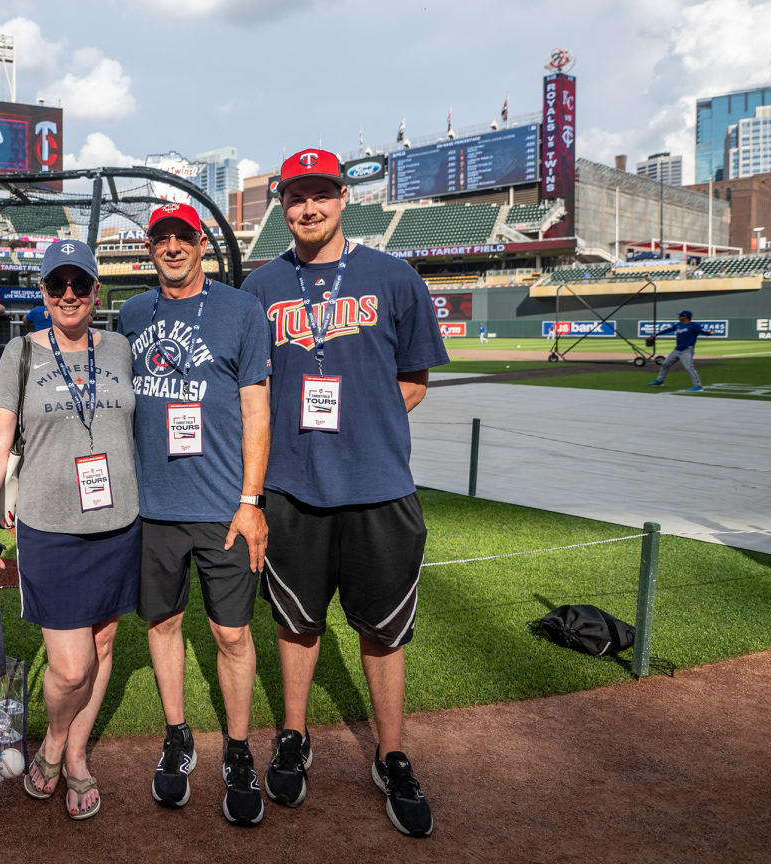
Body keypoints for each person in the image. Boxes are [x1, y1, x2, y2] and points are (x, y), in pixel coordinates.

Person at [240, 148, 449, 838]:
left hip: (377, 486)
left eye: (321, 194)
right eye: (296, 197)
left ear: (343, 197)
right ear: (282, 203)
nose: (308, 208)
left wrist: (362, 430)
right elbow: (253, 390)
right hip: (294, 487)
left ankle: (391, 753)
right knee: (297, 623)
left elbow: (413, 381)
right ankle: (294, 737)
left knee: (383, 633)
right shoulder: (262, 285)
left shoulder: (393, 276)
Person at [0, 239, 138, 821]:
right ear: (43, 293)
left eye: (81, 285)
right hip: (50, 525)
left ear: (96, 292)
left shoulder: (118, 347)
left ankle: (78, 756)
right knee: (69, 666)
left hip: (117, 522)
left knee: (104, 645)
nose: (70, 295)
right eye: (58, 285)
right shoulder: (17, 353)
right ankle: (54, 742)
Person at [116, 202, 271, 826]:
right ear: (150, 248)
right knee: (163, 624)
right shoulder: (131, 314)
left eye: (184, 236)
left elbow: (257, 411)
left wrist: (251, 500)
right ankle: (177, 735)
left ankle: (237, 748)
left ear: (201, 243)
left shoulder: (240, 310)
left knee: (231, 633)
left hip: (222, 507)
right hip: (152, 508)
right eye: (162, 238)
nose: (173, 246)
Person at [648, 310, 706, 392]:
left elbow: (703, 332)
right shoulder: (679, 325)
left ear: (685, 317)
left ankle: (698, 386)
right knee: (665, 364)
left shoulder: (694, 326)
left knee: (689, 368)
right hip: (677, 349)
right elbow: (668, 330)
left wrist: (710, 333)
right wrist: (656, 334)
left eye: (680, 316)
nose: (679, 317)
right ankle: (660, 381)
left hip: (687, 350)